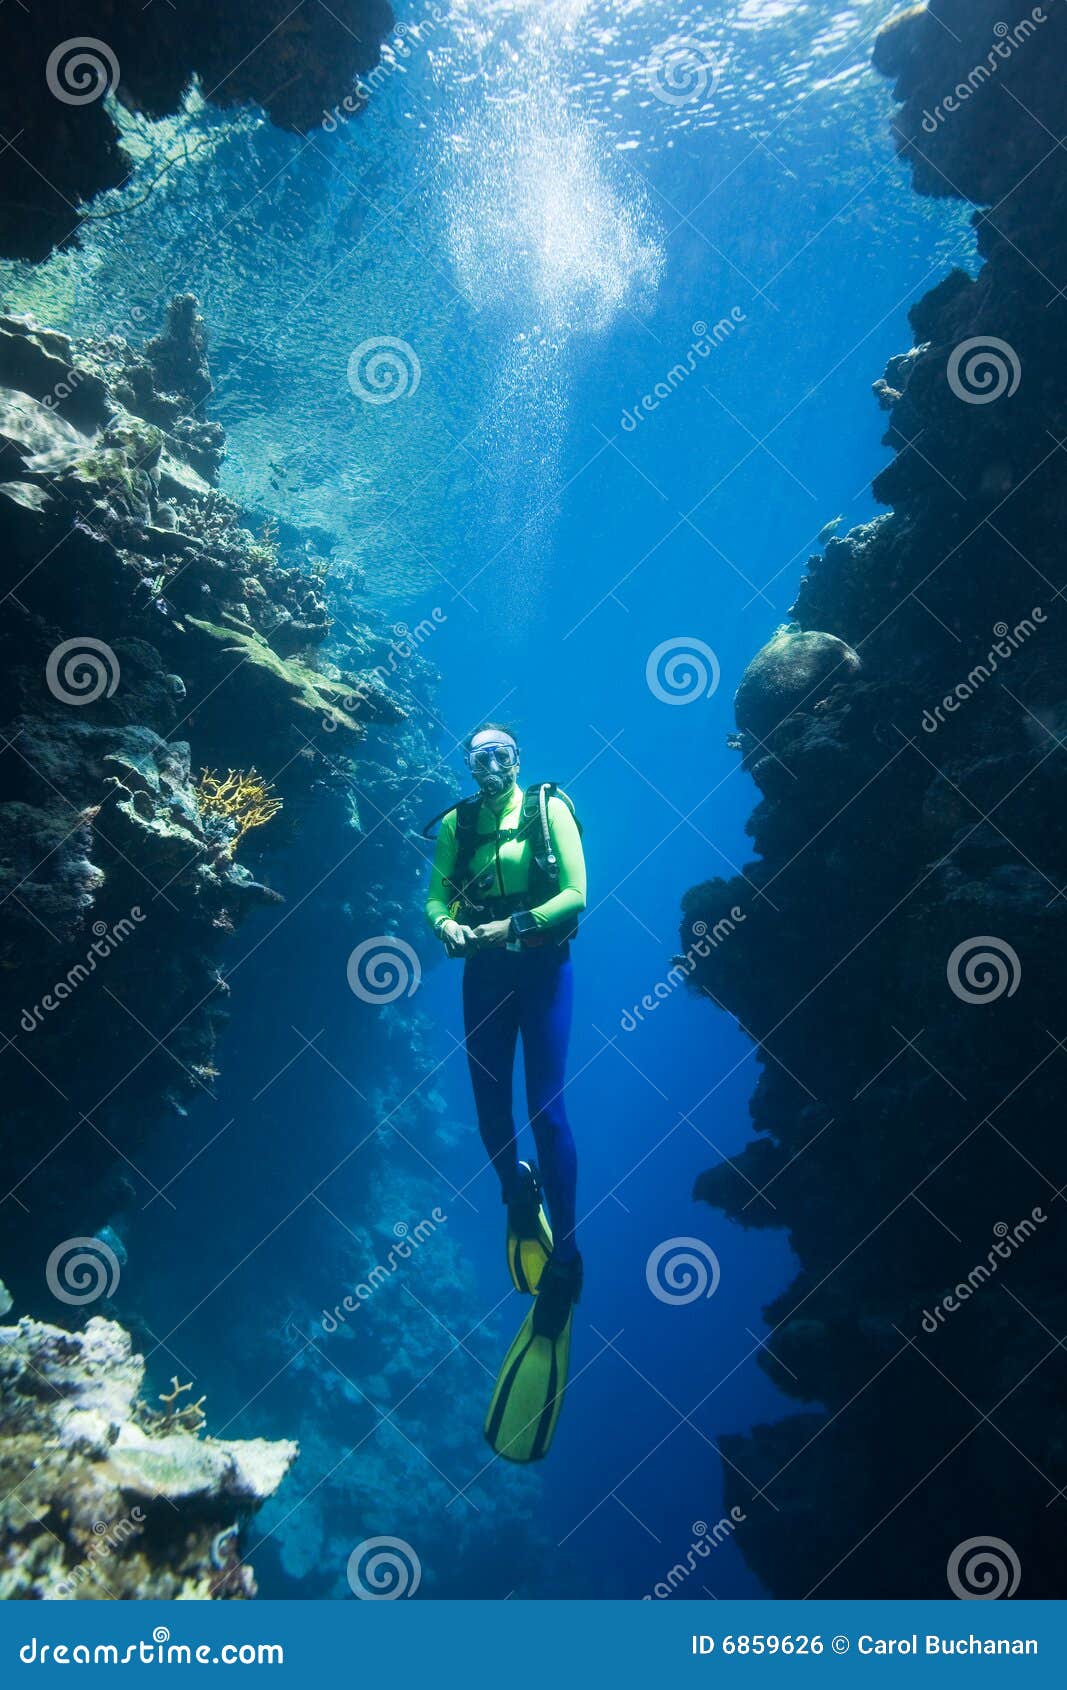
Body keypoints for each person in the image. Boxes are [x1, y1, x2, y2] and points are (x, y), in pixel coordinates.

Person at [424, 723, 586, 1455]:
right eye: (478, 756)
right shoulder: (456, 825)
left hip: (542, 969)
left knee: (545, 1110)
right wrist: (446, 929)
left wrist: (500, 929)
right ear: (468, 763)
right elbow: (432, 902)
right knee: (491, 1112)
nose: (490, 765)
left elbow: (577, 897)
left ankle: (569, 1253)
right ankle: (516, 1197)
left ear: (518, 760)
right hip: (483, 978)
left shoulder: (549, 805)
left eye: (502, 754)